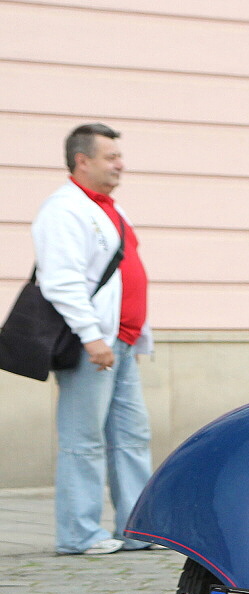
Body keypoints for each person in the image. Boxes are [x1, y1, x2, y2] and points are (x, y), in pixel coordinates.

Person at [32, 123, 157, 555]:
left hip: (119, 342)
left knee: (132, 437)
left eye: (119, 156)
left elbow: (126, 277)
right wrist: (92, 337)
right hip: (95, 344)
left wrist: (135, 341)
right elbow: (61, 281)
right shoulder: (65, 210)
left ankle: (137, 530)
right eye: (110, 157)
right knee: (83, 440)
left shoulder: (108, 209)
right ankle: (79, 534)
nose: (120, 164)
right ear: (82, 160)